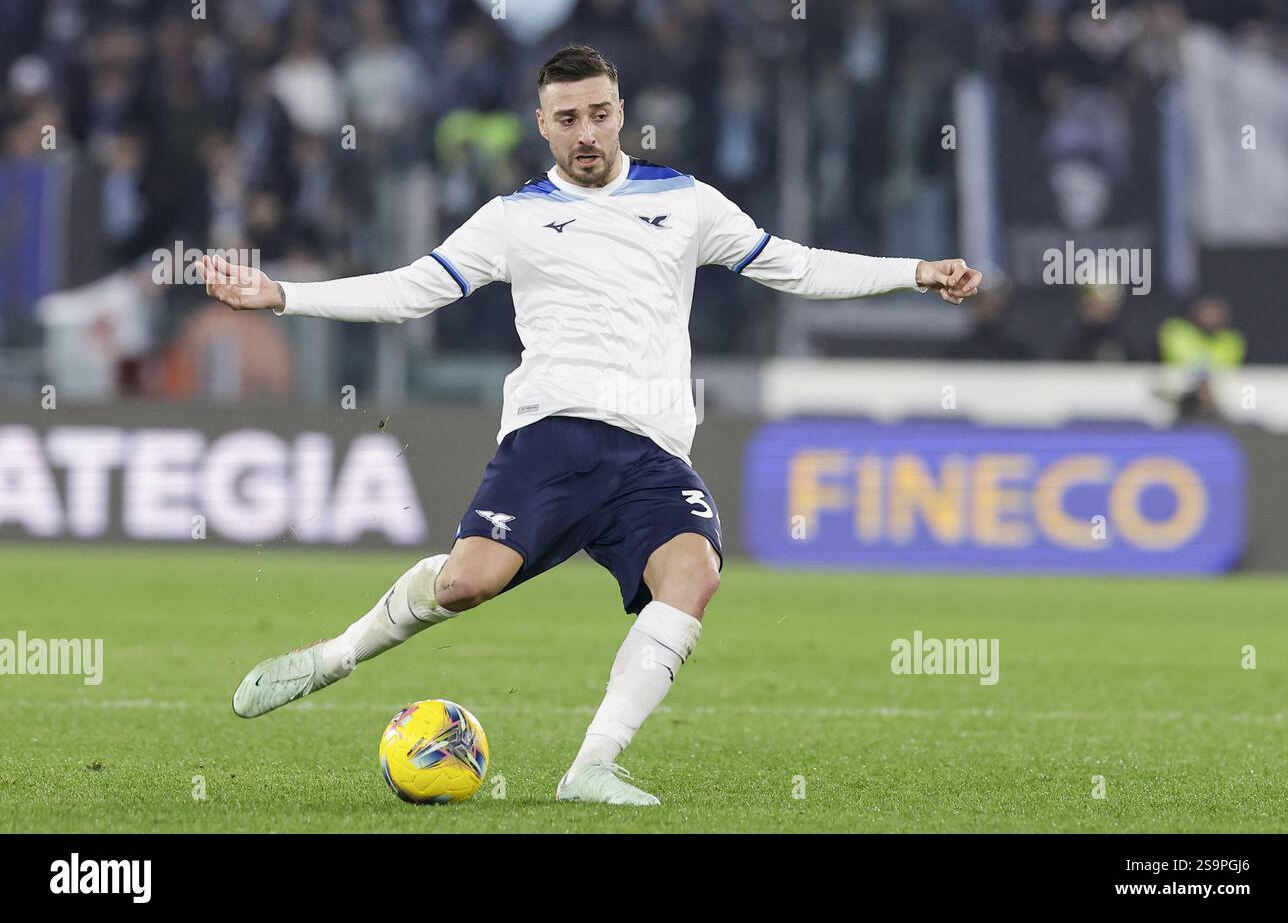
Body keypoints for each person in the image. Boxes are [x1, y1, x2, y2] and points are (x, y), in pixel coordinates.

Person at [200, 44, 982, 805]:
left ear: (621, 116)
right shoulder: (513, 218)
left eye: (599, 114)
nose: (586, 133)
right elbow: (414, 290)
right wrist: (284, 297)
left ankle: (592, 768)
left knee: (694, 573)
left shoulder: (685, 201)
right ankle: (334, 657)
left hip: (653, 455)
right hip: (553, 435)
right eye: (567, 118)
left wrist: (914, 273)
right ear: (542, 125)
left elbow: (798, 265)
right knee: (467, 584)